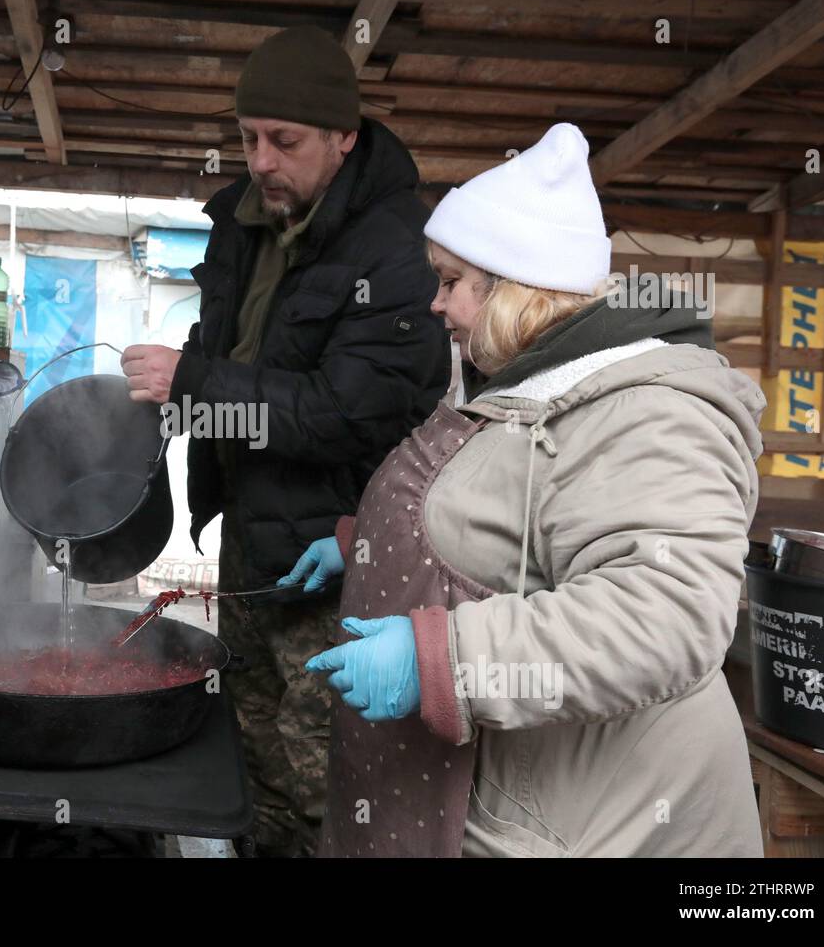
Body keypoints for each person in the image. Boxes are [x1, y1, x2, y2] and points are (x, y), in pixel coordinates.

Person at [291, 122, 766, 857]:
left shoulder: (648, 408)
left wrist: (441, 660)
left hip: (590, 823)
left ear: (515, 290)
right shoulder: (525, 386)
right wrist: (366, 547)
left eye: (451, 282)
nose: (436, 307)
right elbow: (502, 516)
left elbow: (662, 615)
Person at [121, 25, 450, 857]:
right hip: (252, 538)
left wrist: (194, 384)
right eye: (248, 137)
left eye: (284, 141)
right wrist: (173, 410)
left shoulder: (399, 251)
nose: (261, 160)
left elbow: (350, 412)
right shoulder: (244, 219)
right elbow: (236, 359)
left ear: (344, 137)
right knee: (250, 745)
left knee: (325, 777)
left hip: (340, 554)